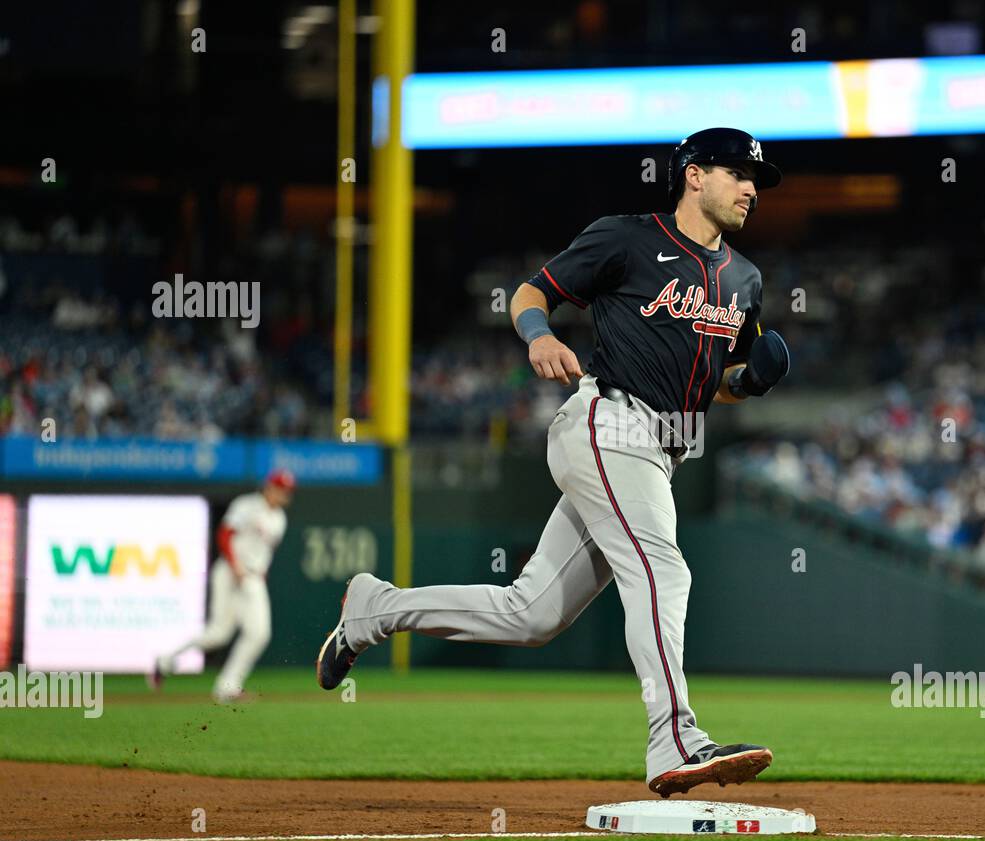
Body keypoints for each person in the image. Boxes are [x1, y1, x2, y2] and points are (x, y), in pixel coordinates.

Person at [316, 128, 792, 797]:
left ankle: (375, 611)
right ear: (693, 174)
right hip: (609, 422)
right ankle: (674, 741)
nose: (751, 188)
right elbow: (531, 291)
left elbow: (710, 379)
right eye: (740, 173)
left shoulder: (745, 279)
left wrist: (747, 382)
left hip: (661, 452)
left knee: (530, 614)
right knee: (664, 570)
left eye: (757, 179)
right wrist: (538, 335)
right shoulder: (627, 238)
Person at [152, 469, 296, 703]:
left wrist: (259, 573)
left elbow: (264, 552)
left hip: (252, 578)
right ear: (269, 487)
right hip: (230, 571)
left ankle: (227, 686)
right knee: (219, 633)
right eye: (281, 489)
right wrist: (235, 565)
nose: (284, 495)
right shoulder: (248, 505)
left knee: (259, 633)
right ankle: (166, 660)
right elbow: (225, 534)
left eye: (288, 491)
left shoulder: (279, 519)